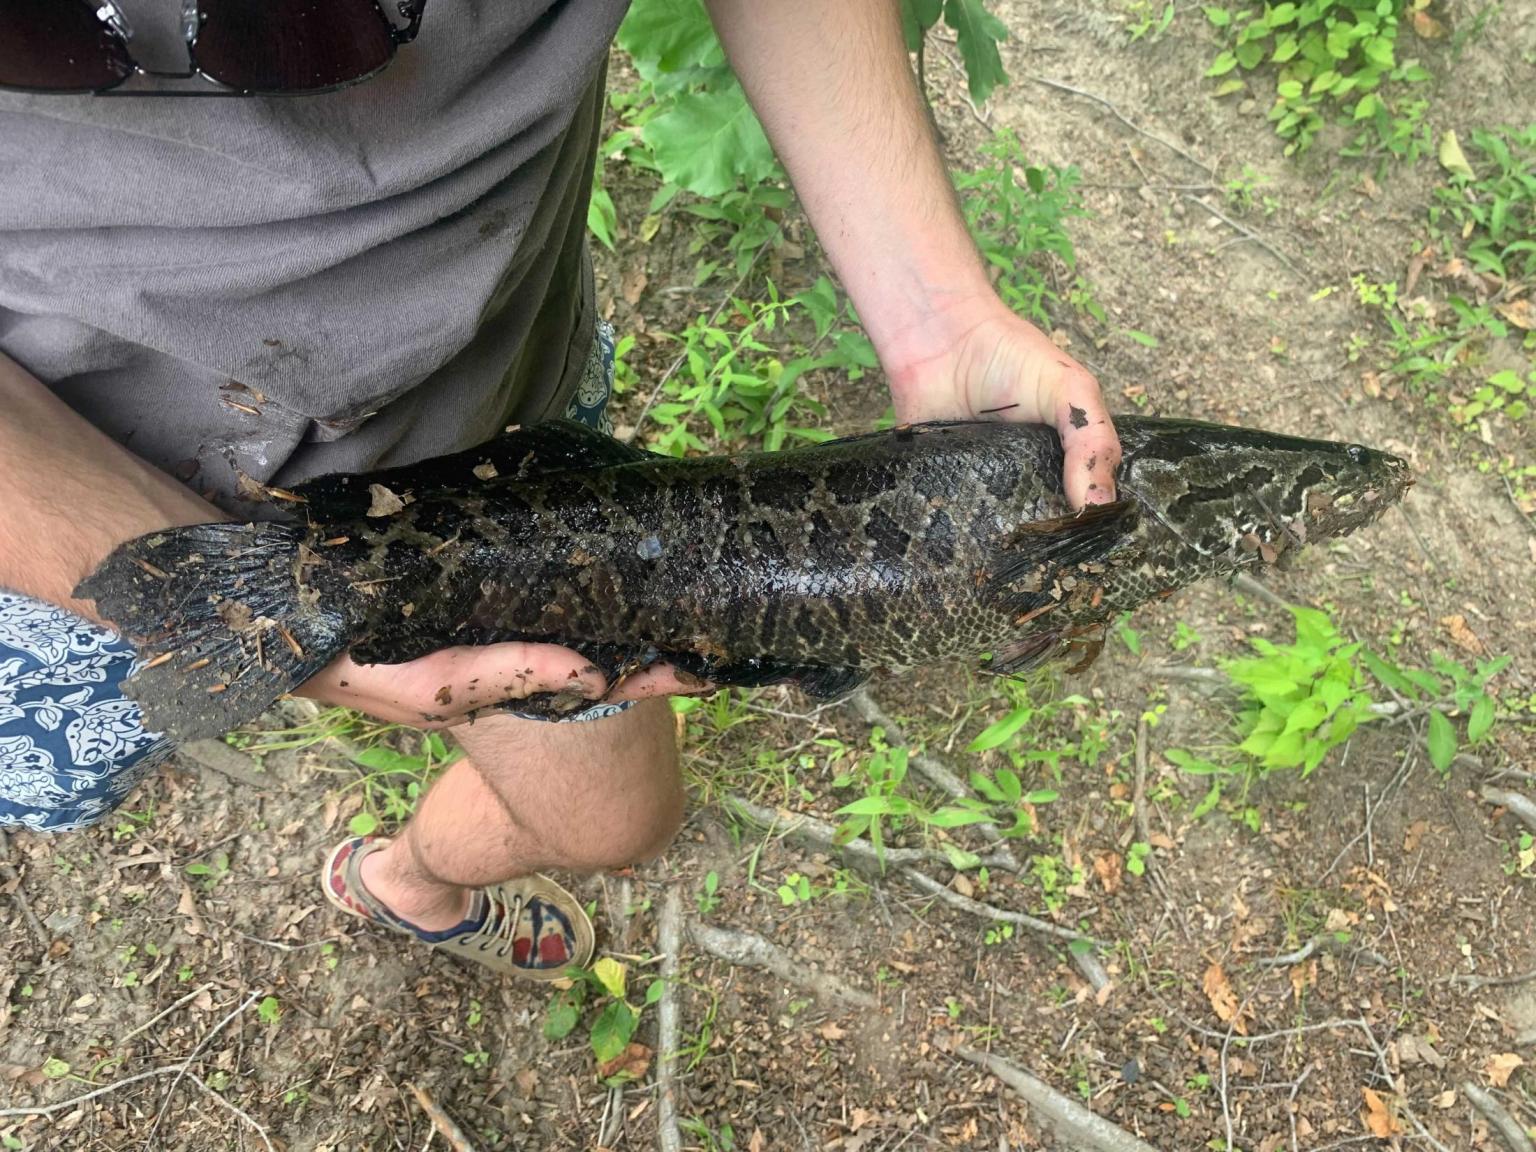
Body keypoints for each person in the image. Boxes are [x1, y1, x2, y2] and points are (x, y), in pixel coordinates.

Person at [0, 0, 1121, 979]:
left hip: (502, 422)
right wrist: (258, 617)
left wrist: (936, 314)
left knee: (612, 819)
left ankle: (405, 879)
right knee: (110, 727)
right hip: (72, 478)